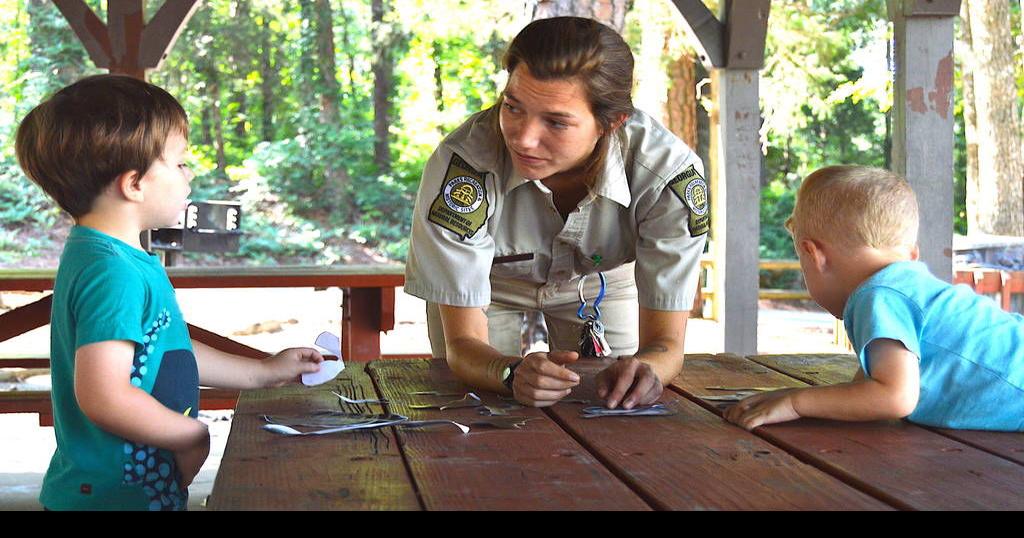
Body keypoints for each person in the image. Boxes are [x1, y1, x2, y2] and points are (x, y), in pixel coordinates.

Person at [15, 74, 325, 510]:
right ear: (134, 184)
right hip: (110, 501)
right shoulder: (111, 272)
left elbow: (164, 349)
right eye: (179, 163)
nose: (189, 174)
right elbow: (104, 395)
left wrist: (263, 372)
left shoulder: (113, 257)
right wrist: (191, 434)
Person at [405, 17, 709, 409]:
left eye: (556, 121)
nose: (523, 137)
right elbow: (463, 346)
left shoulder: (667, 176)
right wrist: (509, 373)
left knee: (614, 401)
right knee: (479, 403)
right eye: (512, 107)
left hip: (601, 279)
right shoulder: (463, 169)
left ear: (612, 123)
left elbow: (665, 345)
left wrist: (647, 372)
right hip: (488, 287)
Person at [725, 165, 1024, 432]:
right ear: (912, 253)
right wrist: (795, 398)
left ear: (814, 256)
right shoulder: (902, 286)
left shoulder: (878, 296)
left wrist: (796, 403)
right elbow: (870, 385)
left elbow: (895, 397)